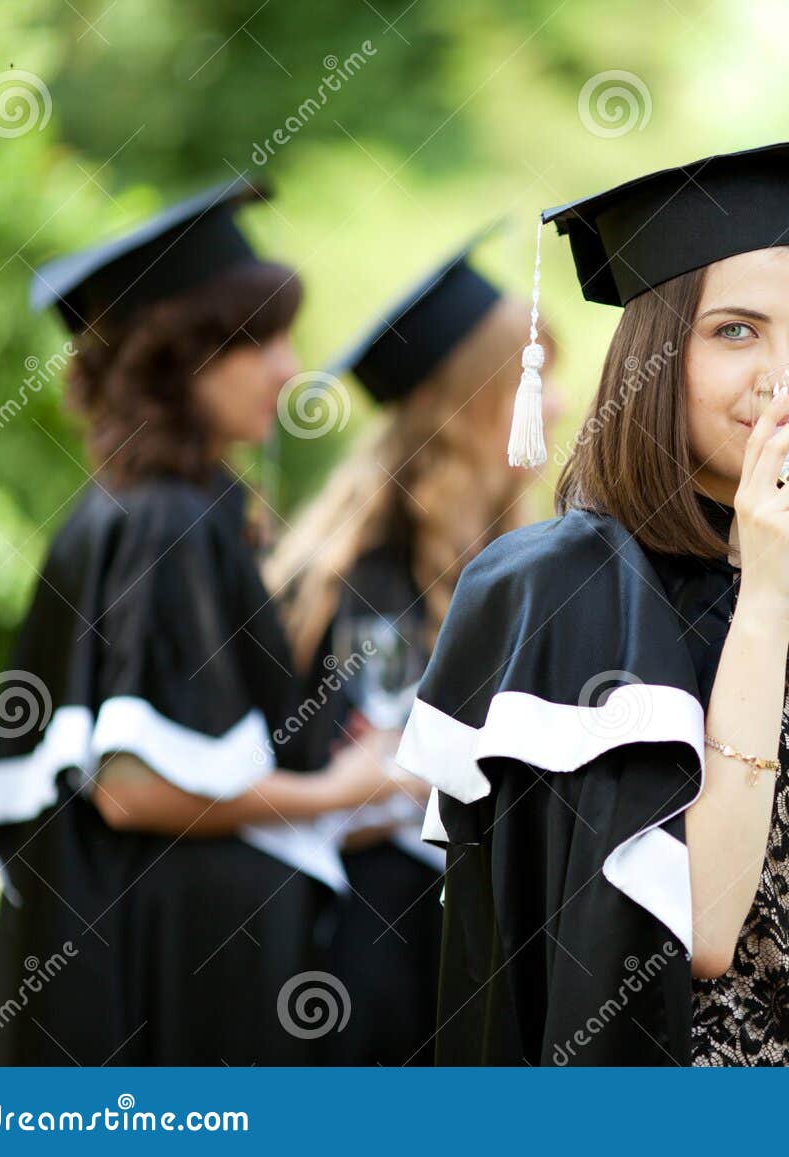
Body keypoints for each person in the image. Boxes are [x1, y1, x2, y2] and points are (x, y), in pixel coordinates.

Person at [395, 115, 789, 1066]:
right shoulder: (560, 593)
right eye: (735, 332)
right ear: (655, 359)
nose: (788, 377)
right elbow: (704, 930)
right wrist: (762, 605)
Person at [0, 178, 408, 1065]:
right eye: (258, 342)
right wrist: (341, 790)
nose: (290, 369)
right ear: (176, 358)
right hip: (148, 993)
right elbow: (134, 784)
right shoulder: (161, 520)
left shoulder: (168, 506)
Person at [263, 235, 550, 1064]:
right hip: (377, 950)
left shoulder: (505, 558)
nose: (557, 402)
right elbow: (366, 773)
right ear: (475, 401)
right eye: (534, 379)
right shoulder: (364, 574)